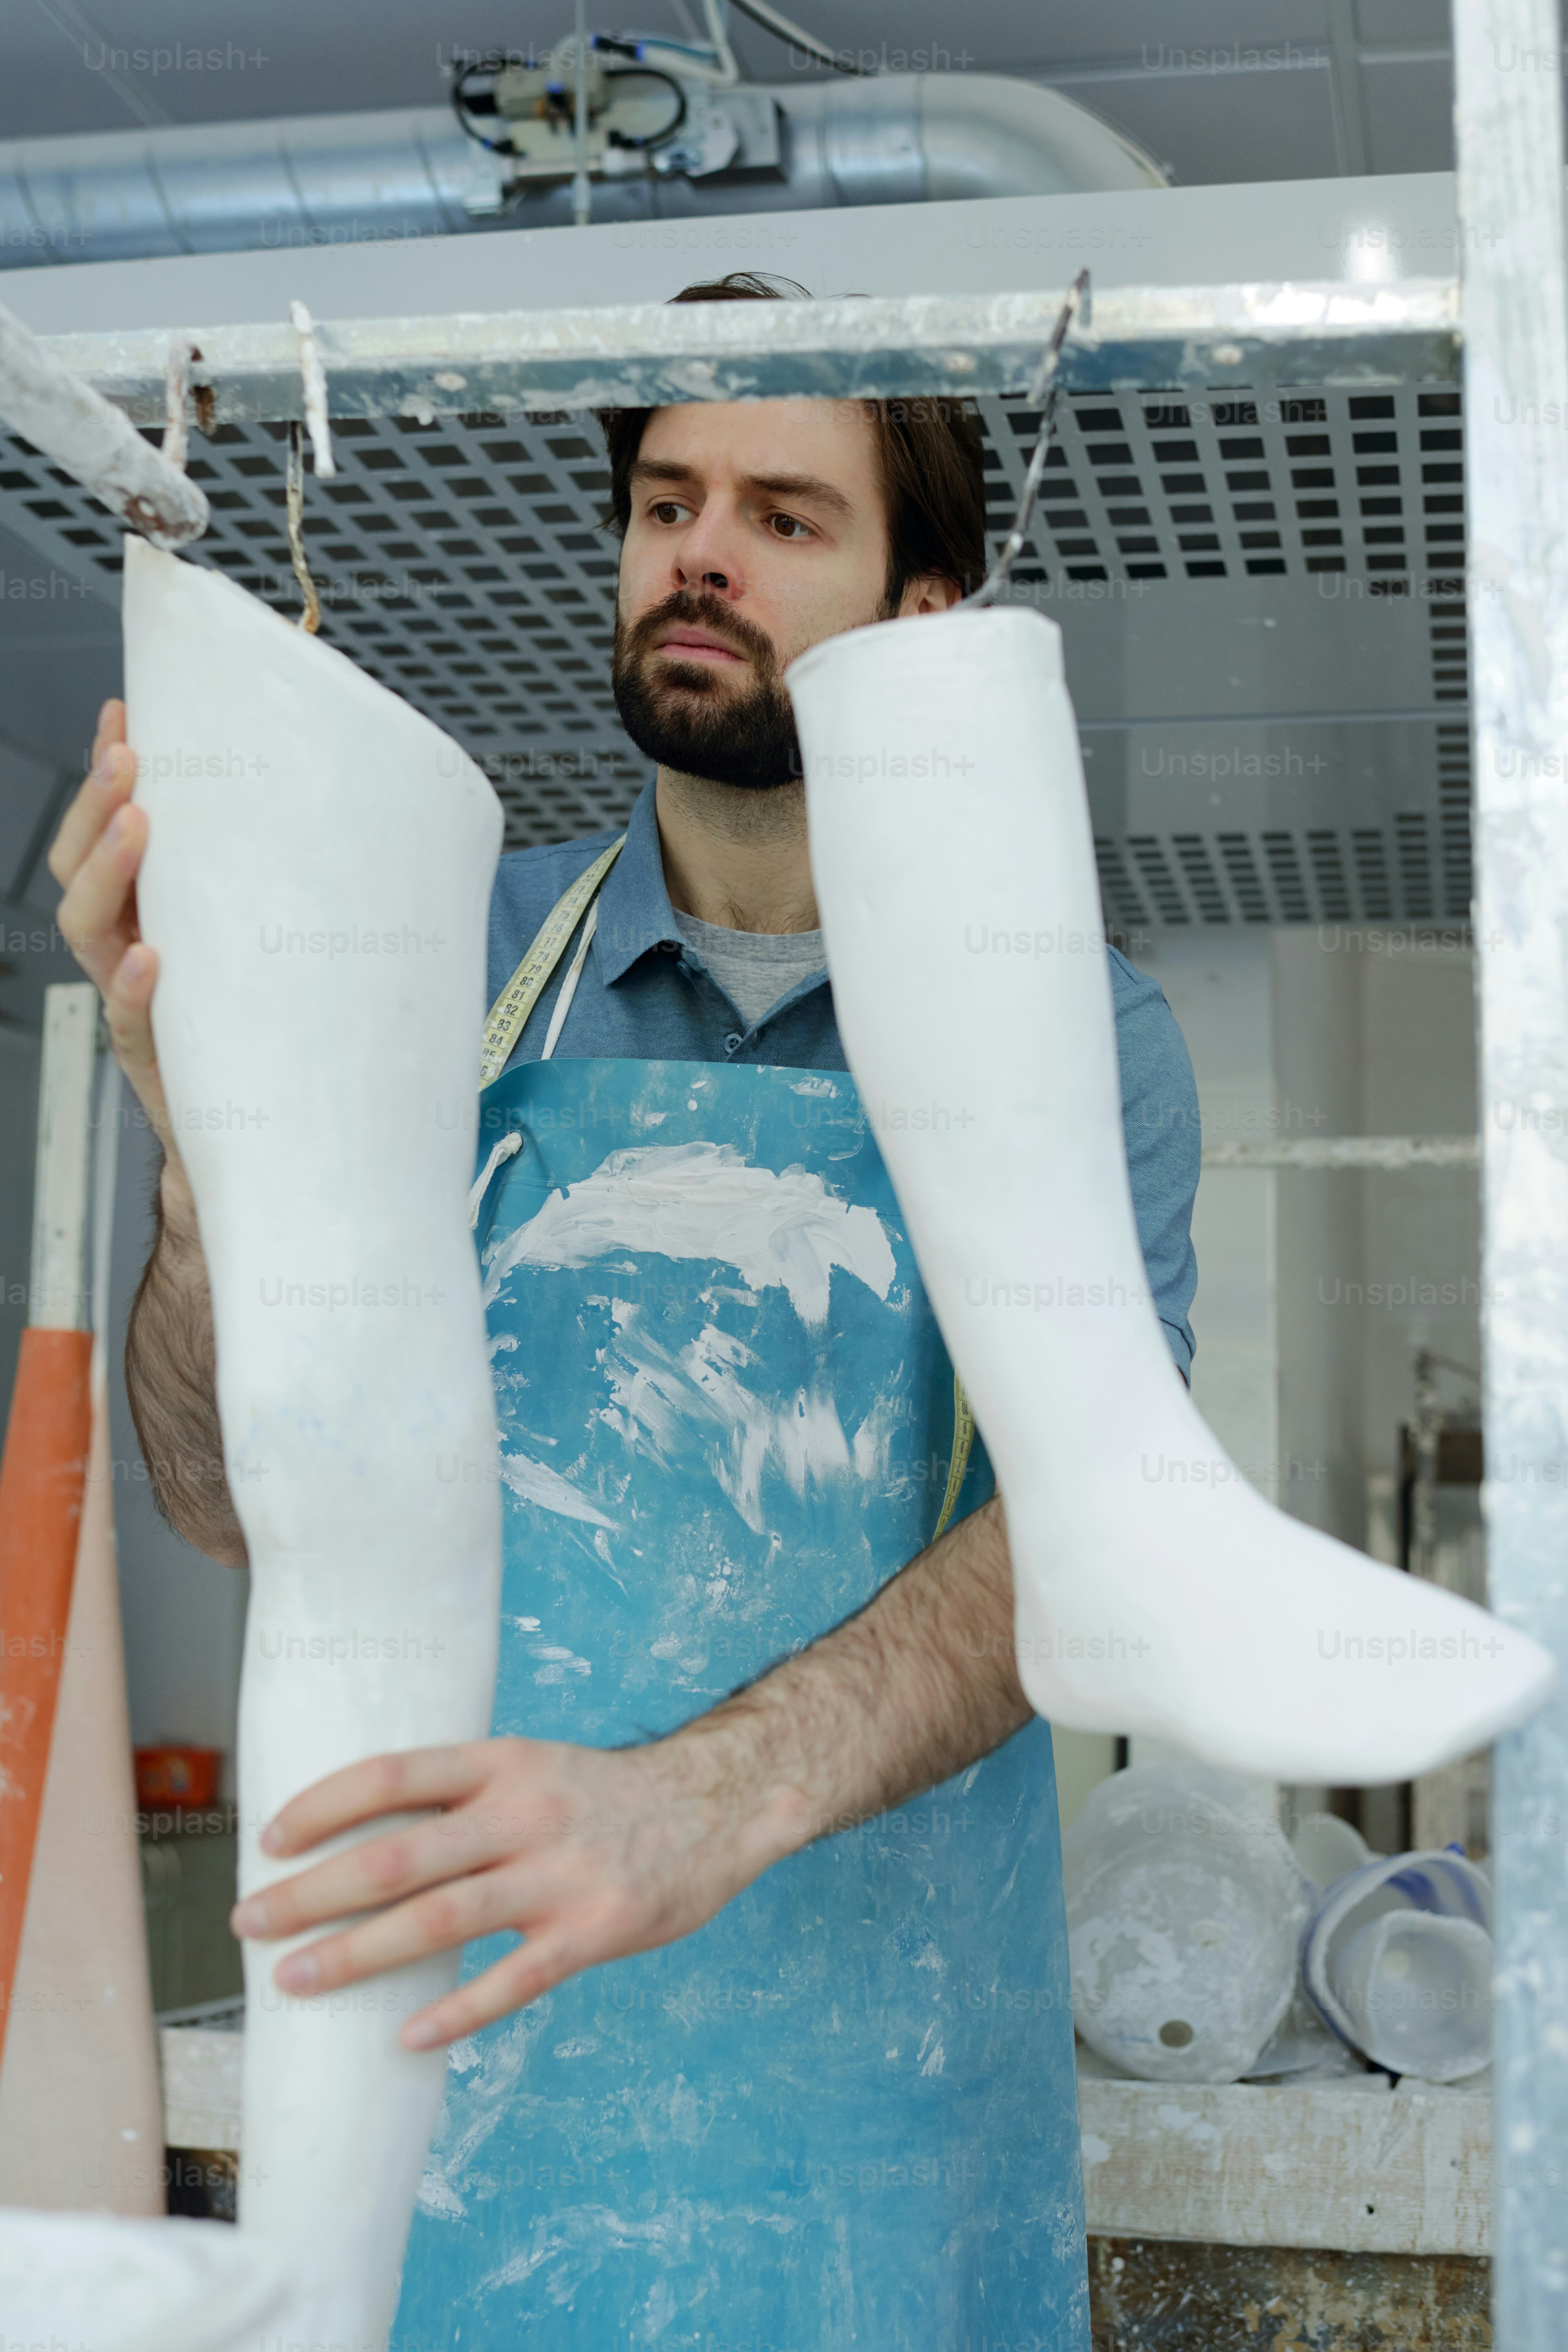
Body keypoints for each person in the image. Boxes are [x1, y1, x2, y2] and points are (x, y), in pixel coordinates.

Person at [51, 272, 1200, 2349]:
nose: (700, 551)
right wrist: (206, 1148)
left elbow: (1087, 1548)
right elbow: (233, 1503)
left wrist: (690, 1802)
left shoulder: (1078, 1031)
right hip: (465, 2118)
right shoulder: (440, 952)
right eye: (667, 496)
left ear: (922, 615)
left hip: (876, 2128)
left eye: (784, 512)